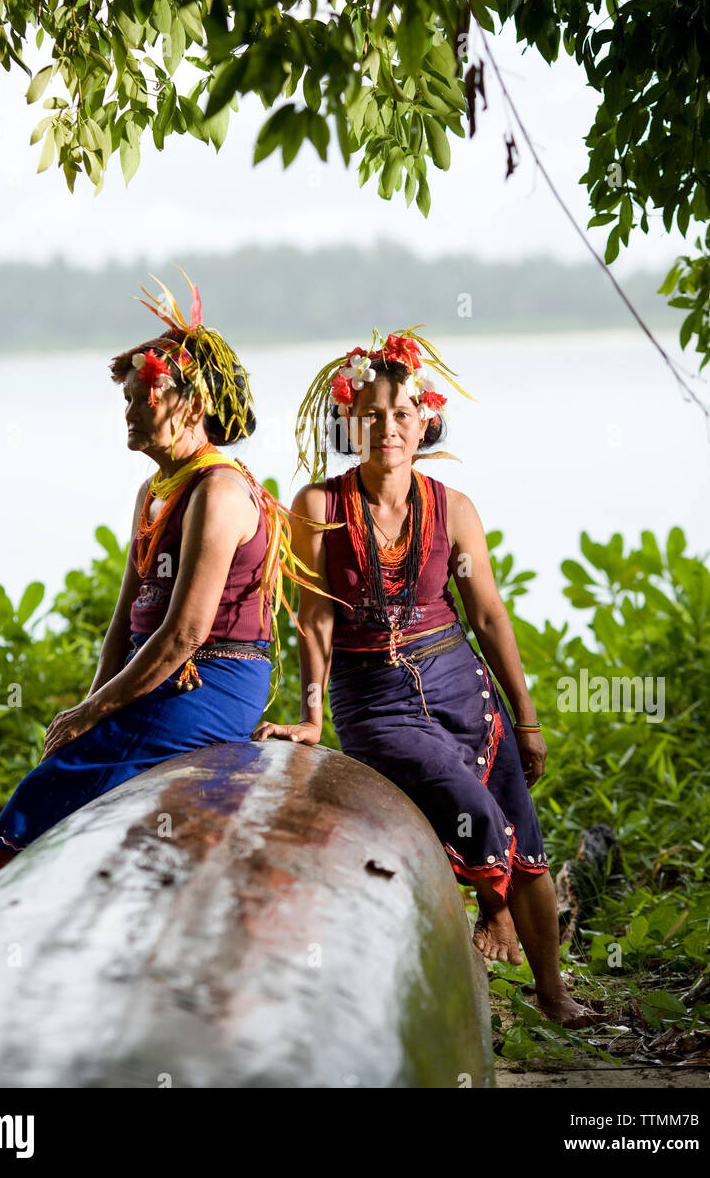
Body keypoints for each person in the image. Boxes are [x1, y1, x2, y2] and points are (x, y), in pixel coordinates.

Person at [252, 327, 591, 1027]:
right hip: (372, 695)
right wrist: (313, 716)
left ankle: (553, 994)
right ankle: (491, 908)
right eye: (371, 414)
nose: (387, 427)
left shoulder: (454, 507)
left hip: (461, 681)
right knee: (458, 792)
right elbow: (314, 620)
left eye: (402, 413)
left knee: (524, 833)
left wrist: (524, 715)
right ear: (349, 420)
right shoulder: (317, 506)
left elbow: (490, 618)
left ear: (425, 419)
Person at [0, 270, 318, 870]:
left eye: (145, 398)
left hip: (212, 679)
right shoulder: (154, 491)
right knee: (67, 759)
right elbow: (123, 623)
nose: (131, 412)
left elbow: (187, 633)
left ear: (195, 404)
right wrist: (90, 705)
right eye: (128, 400)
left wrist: (94, 715)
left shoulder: (220, 491)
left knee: (47, 793)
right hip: (154, 668)